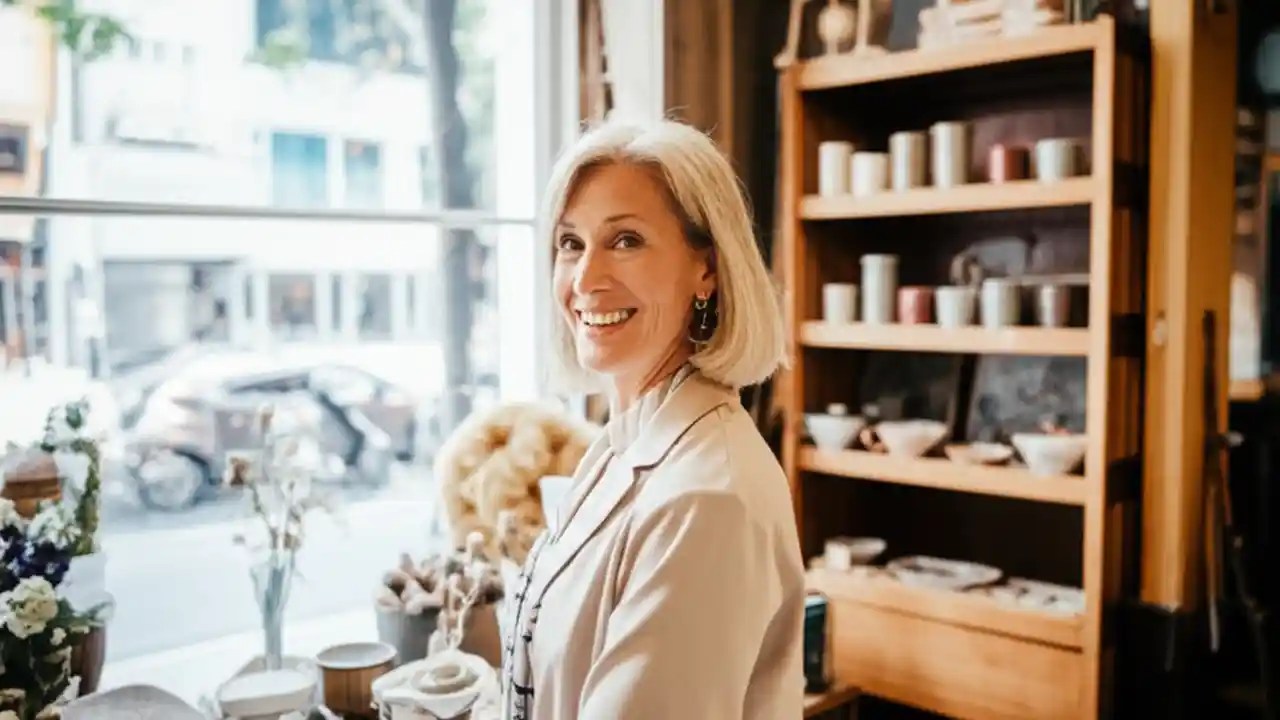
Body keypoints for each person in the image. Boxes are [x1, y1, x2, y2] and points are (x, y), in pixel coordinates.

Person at [500, 117, 805, 719]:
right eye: (571, 243)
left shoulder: (709, 499)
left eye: (626, 240)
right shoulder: (624, 444)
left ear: (707, 270)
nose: (586, 279)